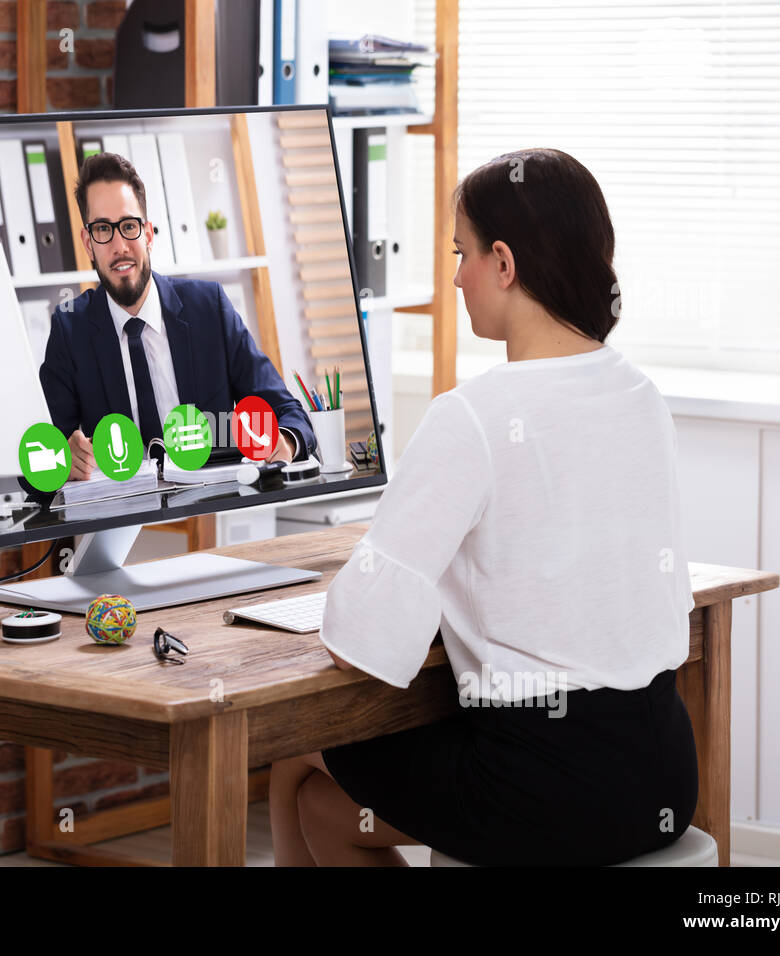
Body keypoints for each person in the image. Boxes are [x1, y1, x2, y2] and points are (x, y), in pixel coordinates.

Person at [270, 148, 699, 867]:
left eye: (462, 253)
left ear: (504, 263)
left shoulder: (473, 415)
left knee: (296, 762)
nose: (458, 275)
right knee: (325, 798)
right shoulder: (640, 395)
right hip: (660, 771)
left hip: (542, 786)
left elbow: (364, 635)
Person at [39, 152, 317, 478]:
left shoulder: (208, 307)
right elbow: (38, 458)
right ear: (88, 244)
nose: (119, 246)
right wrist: (62, 459)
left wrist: (284, 440)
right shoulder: (70, 329)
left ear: (148, 234)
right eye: (103, 230)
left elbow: (287, 412)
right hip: (127, 520)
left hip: (212, 507)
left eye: (128, 226)